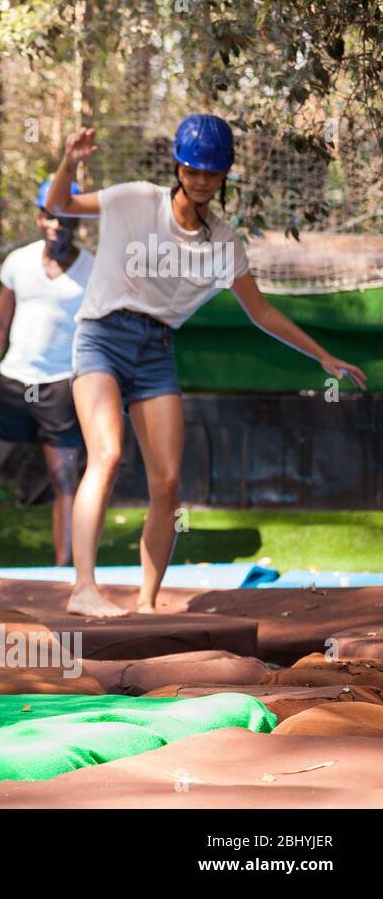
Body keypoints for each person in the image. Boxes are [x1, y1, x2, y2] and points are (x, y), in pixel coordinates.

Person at [46, 115, 367, 617]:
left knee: (168, 483)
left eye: (211, 173)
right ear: (178, 166)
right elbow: (59, 204)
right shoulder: (135, 199)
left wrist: (322, 355)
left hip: (156, 350)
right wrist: (69, 159)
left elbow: (262, 312)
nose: (200, 180)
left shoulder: (223, 243)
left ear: (223, 178)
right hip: (102, 337)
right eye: (192, 169)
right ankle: (83, 588)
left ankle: (148, 602)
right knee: (106, 455)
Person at [0, 178, 92, 566]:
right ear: (39, 216)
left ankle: (64, 568)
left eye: (65, 216)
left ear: (77, 219)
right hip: (13, 381)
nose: (56, 224)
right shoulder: (19, 262)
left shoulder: (92, 271)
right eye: (49, 215)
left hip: (63, 385)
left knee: (64, 476)